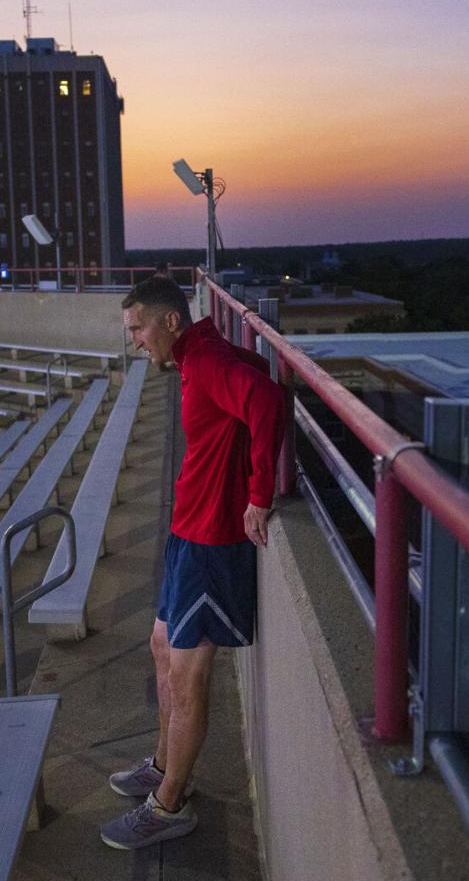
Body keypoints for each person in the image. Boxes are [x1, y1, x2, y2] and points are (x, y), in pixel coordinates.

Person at [101, 275, 285, 850]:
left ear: (171, 321)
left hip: (211, 543)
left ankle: (170, 803)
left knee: (187, 676)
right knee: (161, 647)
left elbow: (267, 399)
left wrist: (258, 495)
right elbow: (253, 378)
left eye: (138, 329)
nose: (134, 341)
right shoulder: (199, 354)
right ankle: (162, 763)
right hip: (188, 534)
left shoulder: (202, 359)